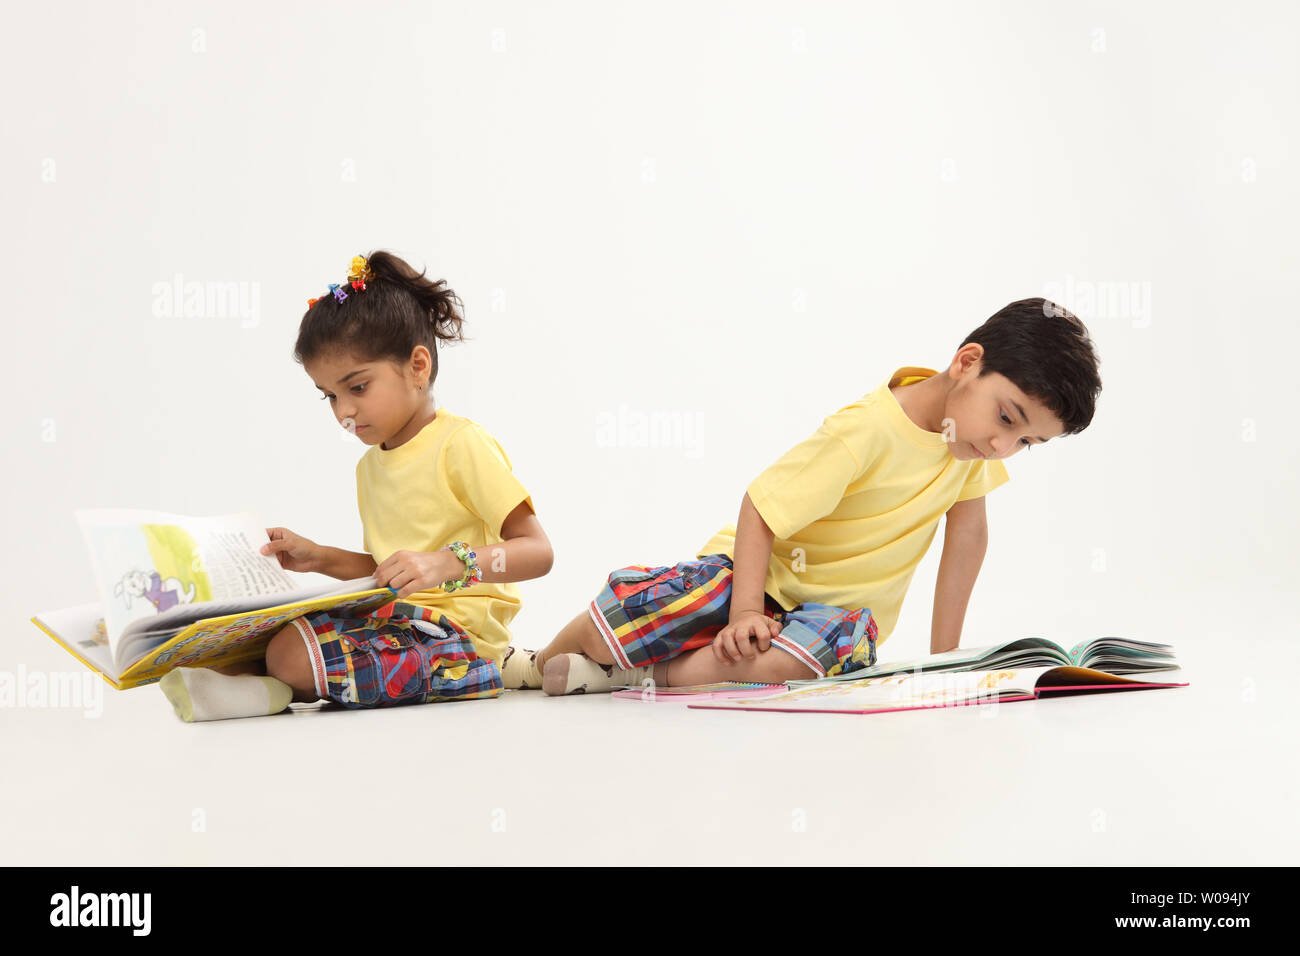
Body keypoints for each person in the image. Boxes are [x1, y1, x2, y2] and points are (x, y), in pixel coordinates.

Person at [498, 297, 1100, 695]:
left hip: (834, 619)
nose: (1003, 445)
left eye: (1027, 441)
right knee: (620, 625)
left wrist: (948, 658)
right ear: (968, 362)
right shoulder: (866, 430)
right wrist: (743, 612)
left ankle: (628, 680)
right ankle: (538, 662)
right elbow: (761, 506)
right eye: (1006, 417)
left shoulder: (968, 447)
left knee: (800, 661)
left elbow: (967, 538)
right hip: (755, 576)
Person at [161, 251, 552, 721]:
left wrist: (444, 564)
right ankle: (260, 689)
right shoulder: (370, 467)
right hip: (397, 619)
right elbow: (389, 571)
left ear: (417, 367)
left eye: (357, 388)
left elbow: (537, 551)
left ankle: (483, 671)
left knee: (291, 654)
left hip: (458, 633)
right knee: (260, 640)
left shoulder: (459, 444)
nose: (343, 411)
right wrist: (318, 557)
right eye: (330, 396)